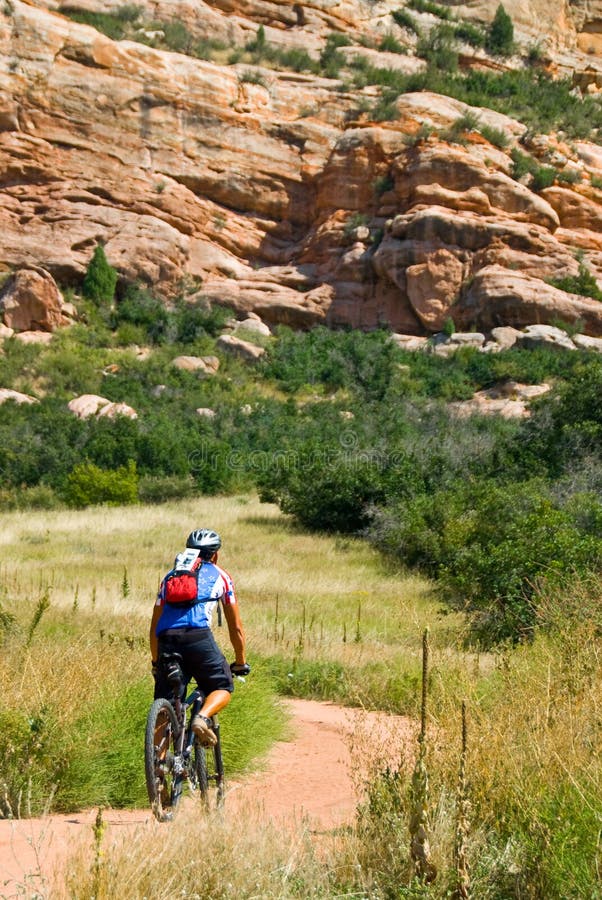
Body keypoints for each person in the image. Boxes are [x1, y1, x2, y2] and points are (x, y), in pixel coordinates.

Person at [149, 528, 249, 746]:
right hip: (198, 638)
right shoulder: (221, 576)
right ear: (215, 554)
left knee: (165, 702)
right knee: (222, 686)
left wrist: (156, 662)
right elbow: (236, 627)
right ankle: (201, 719)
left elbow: (154, 625)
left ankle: (157, 770)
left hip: (167, 640)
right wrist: (240, 662)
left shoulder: (170, 577)